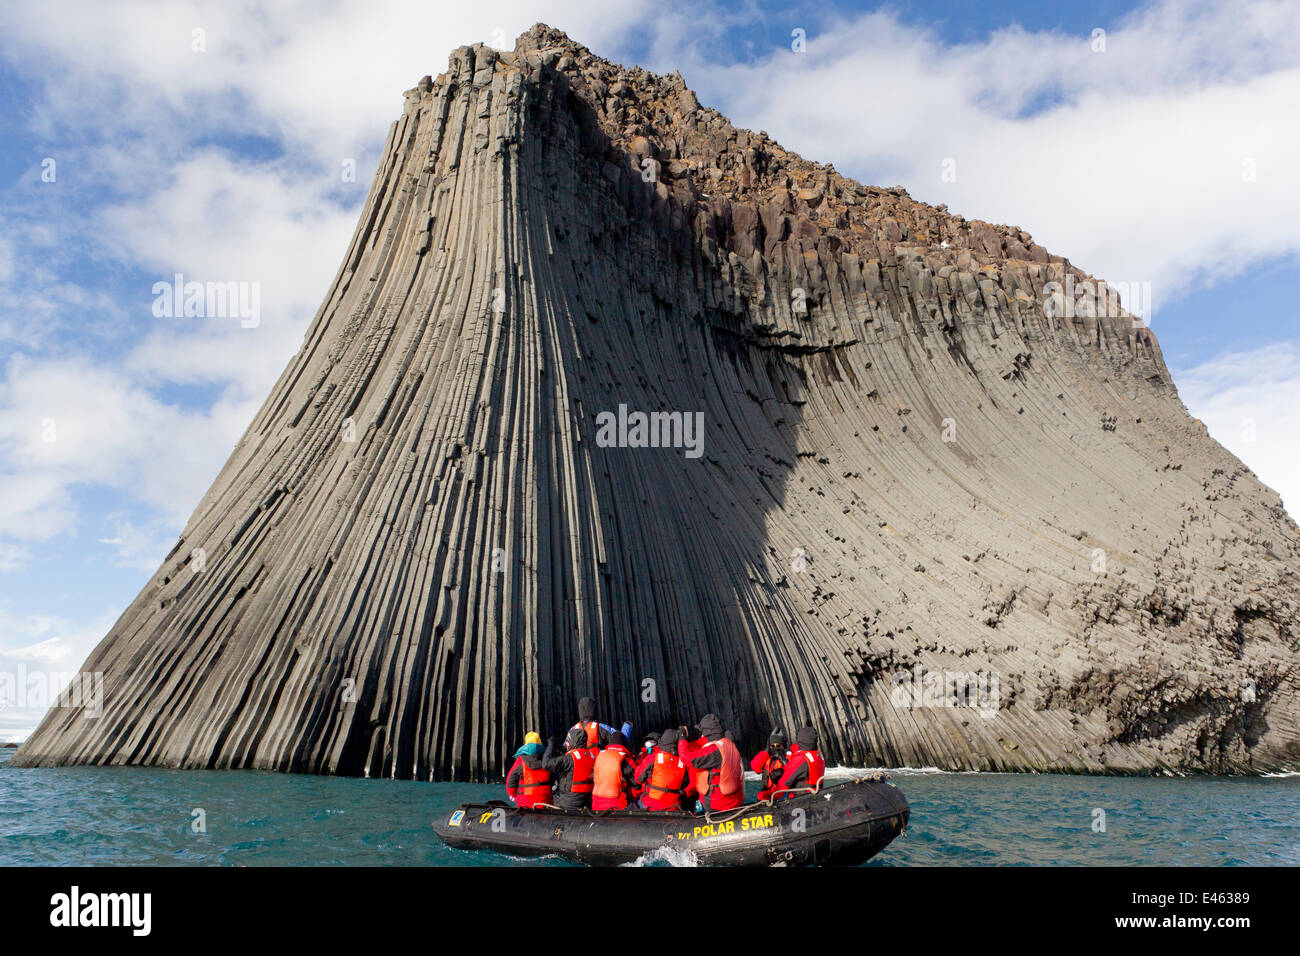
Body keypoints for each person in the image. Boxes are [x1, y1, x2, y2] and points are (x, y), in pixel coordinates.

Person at [678, 713, 744, 812]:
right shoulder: (730, 745)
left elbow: (685, 758)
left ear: (706, 734)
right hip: (735, 802)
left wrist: (682, 738)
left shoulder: (714, 751)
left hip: (717, 805)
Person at [542, 727, 597, 810]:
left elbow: (546, 764)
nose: (567, 744)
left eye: (568, 741)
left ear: (573, 741)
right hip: (587, 800)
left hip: (570, 801)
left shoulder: (569, 758)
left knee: (553, 797)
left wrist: (551, 745)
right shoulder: (592, 756)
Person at [636, 728, 689, 811]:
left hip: (651, 805)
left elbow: (638, 778)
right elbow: (685, 784)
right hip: (674, 806)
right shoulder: (683, 762)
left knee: (635, 803)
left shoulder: (653, 757)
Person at [591, 731, 637, 811]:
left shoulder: (599, 756)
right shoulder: (626, 759)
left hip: (596, 805)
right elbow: (636, 783)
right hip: (618, 807)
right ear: (624, 744)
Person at [505, 731, 552, 808]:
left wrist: (514, 795)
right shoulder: (547, 760)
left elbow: (510, 781)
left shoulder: (520, 761)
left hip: (524, 803)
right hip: (545, 802)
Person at [775, 727, 826, 796]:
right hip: (816, 795)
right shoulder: (818, 755)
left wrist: (769, 797)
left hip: (801, 799)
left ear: (799, 740)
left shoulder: (800, 759)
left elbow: (784, 784)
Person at [751, 729, 789, 800]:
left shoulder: (788, 757)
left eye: (778, 745)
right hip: (768, 797)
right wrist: (766, 751)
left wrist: (782, 760)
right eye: (772, 745)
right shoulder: (767, 758)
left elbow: (793, 770)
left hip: (783, 796)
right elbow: (755, 767)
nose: (775, 748)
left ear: (783, 746)